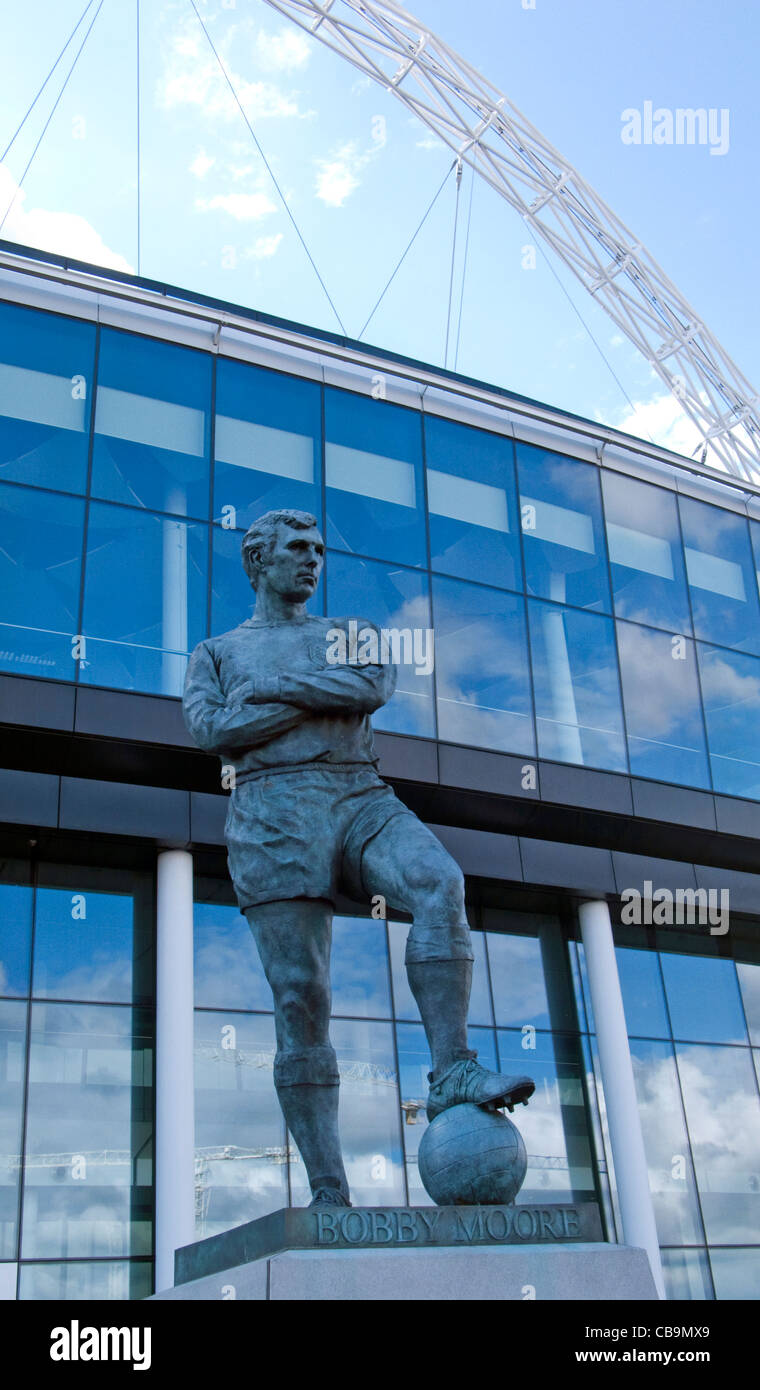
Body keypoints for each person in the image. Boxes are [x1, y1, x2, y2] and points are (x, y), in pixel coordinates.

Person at [183, 508, 534, 1208]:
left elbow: (370, 689)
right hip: (270, 814)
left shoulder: (351, 634)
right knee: (301, 1000)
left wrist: (278, 692)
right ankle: (329, 1189)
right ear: (258, 562)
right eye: (297, 549)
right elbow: (213, 730)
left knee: (438, 882)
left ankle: (452, 1071)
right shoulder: (216, 653)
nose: (313, 560)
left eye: (319, 549)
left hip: (358, 794)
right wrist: (316, 704)